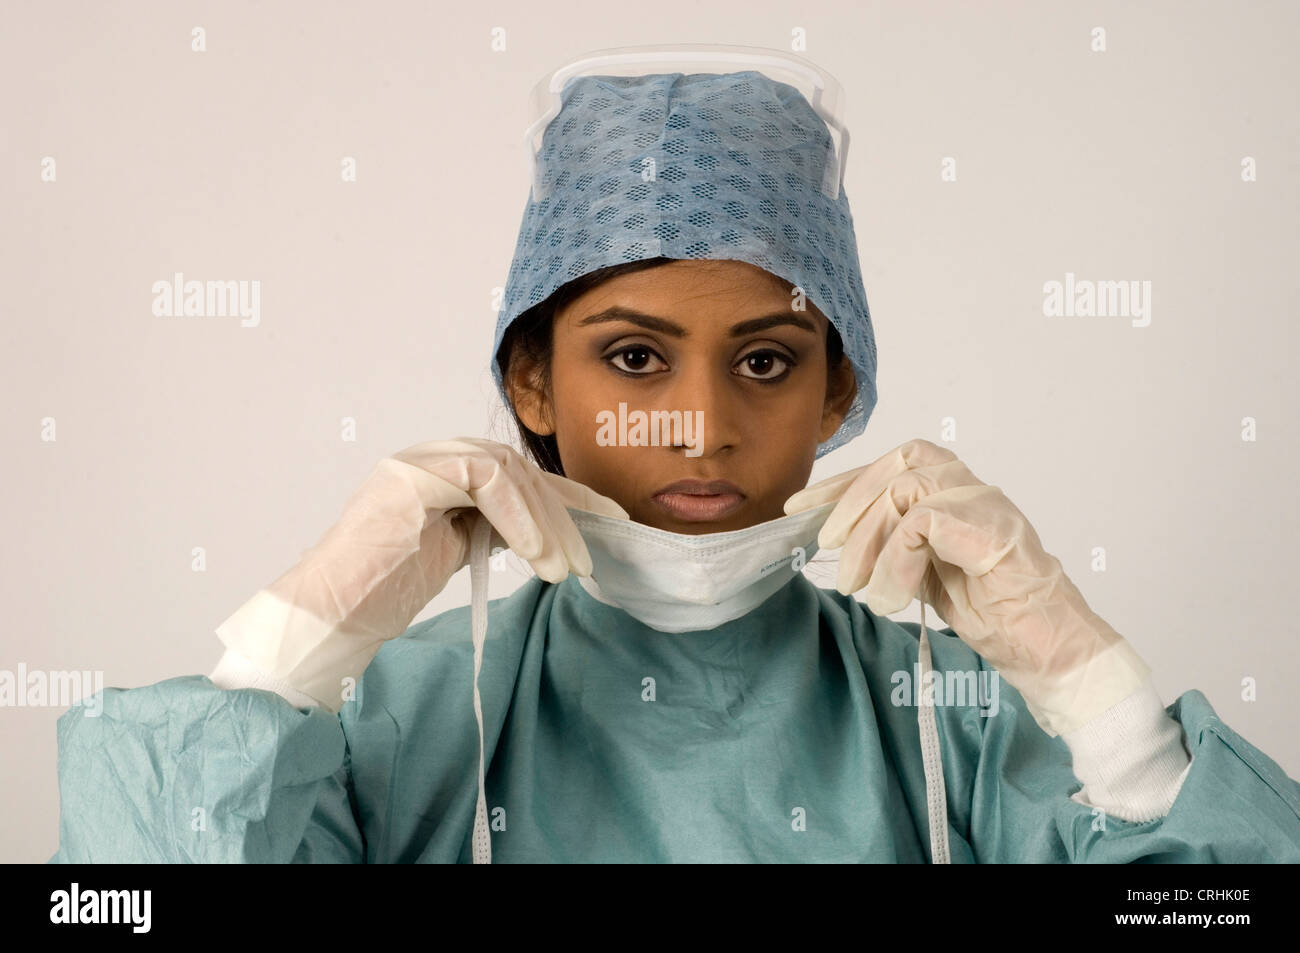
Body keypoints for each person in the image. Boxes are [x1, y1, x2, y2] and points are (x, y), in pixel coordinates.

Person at [50, 53, 1300, 863]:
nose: (699, 427)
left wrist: (1099, 699)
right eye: (635, 357)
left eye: (764, 360)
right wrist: (286, 649)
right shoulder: (395, 716)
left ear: (837, 392)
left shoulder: (956, 718)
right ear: (529, 382)